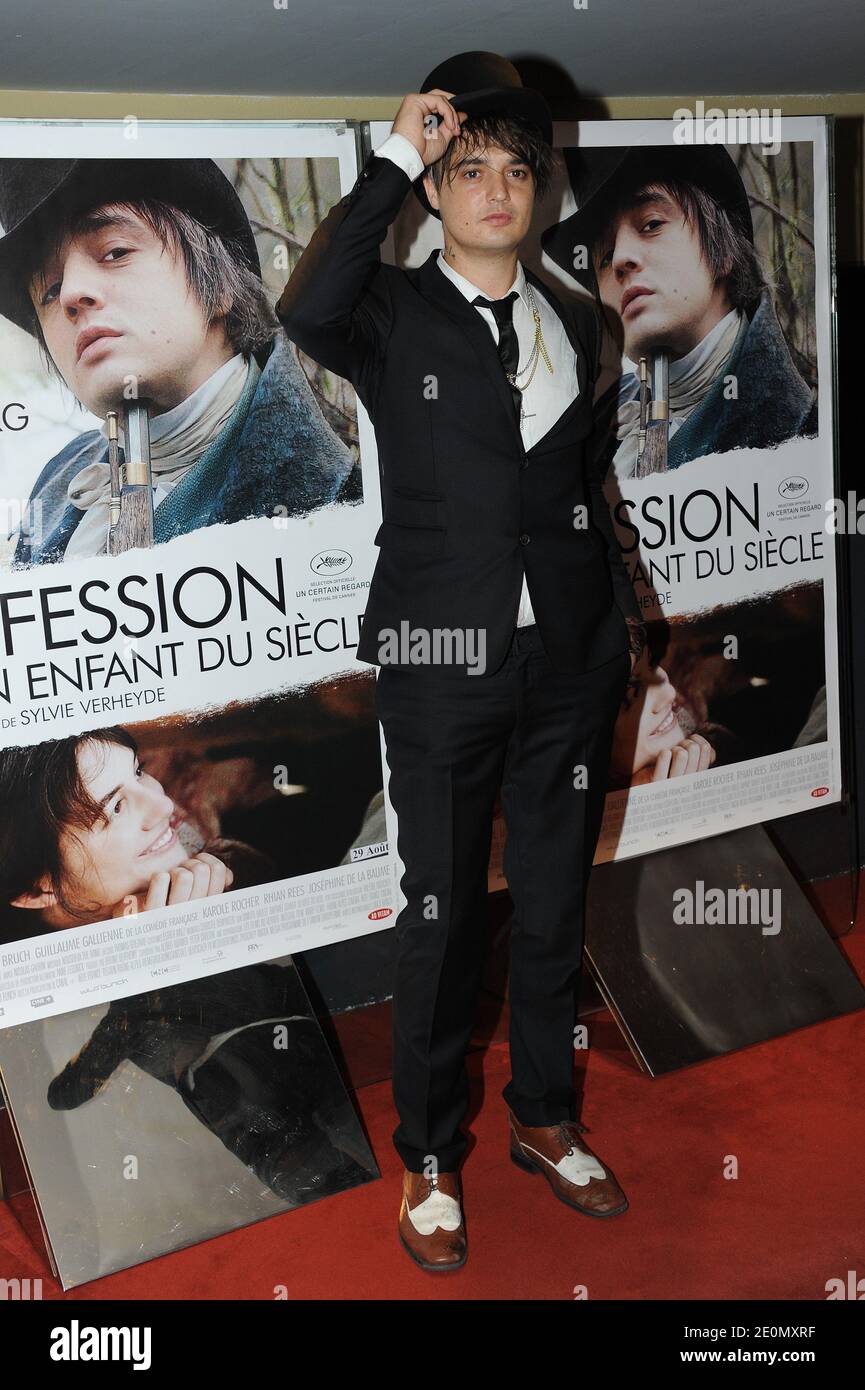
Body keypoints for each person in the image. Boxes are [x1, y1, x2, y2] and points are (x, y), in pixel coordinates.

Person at [277, 50, 647, 1272]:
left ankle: (546, 1115)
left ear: (540, 191)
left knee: (550, 903)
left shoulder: (584, 321)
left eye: (515, 171)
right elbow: (305, 306)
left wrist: (611, 633)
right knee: (440, 911)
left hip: (570, 665)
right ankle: (430, 1154)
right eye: (466, 168)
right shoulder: (384, 314)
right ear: (436, 191)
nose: (495, 189)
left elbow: (575, 483)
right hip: (441, 662)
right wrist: (394, 154)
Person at [0, 158, 358, 566]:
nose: (71, 296)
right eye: (49, 291)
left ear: (220, 283)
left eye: (116, 252)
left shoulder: (345, 500)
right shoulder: (56, 481)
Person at [541, 145, 817, 477]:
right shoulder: (598, 430)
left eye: (652, 224)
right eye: (603, 256)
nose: (619, 260)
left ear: (723, 249)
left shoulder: (806, 435)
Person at [0, 725, 273, 941]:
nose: (164, 805)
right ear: (36, 890)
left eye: (138, 771)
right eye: (116, 807)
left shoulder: (181, 813)